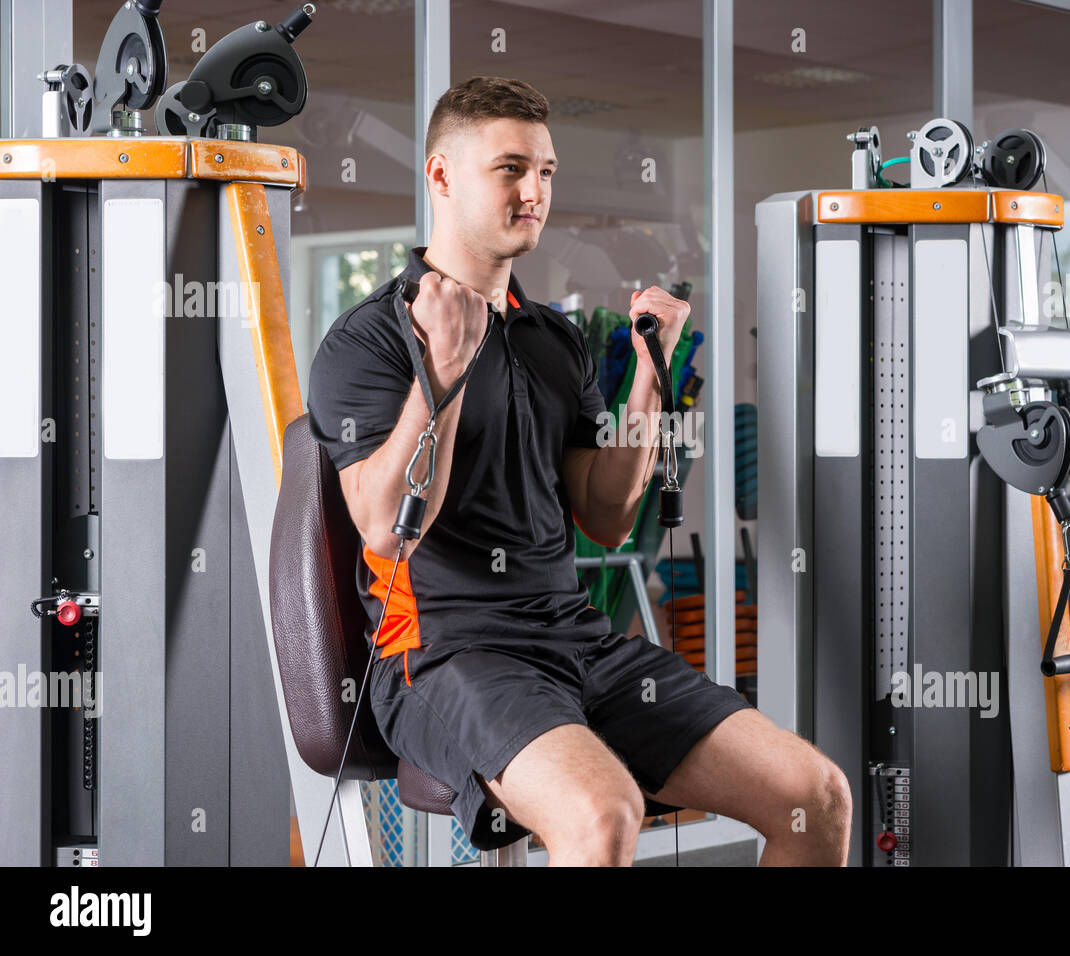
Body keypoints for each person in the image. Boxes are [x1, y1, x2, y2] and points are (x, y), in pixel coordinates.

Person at [308, 75, 851, 866]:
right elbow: (390, 531)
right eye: (511, 169)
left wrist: (647, 375)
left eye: (547, 173)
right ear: (441, 175)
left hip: (575, 639)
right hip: (445, 656)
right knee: (604, 816)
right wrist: (443, 376)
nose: (535, 192)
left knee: (816, 796)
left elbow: (606, 515)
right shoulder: (371, 340)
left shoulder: (551, 342)